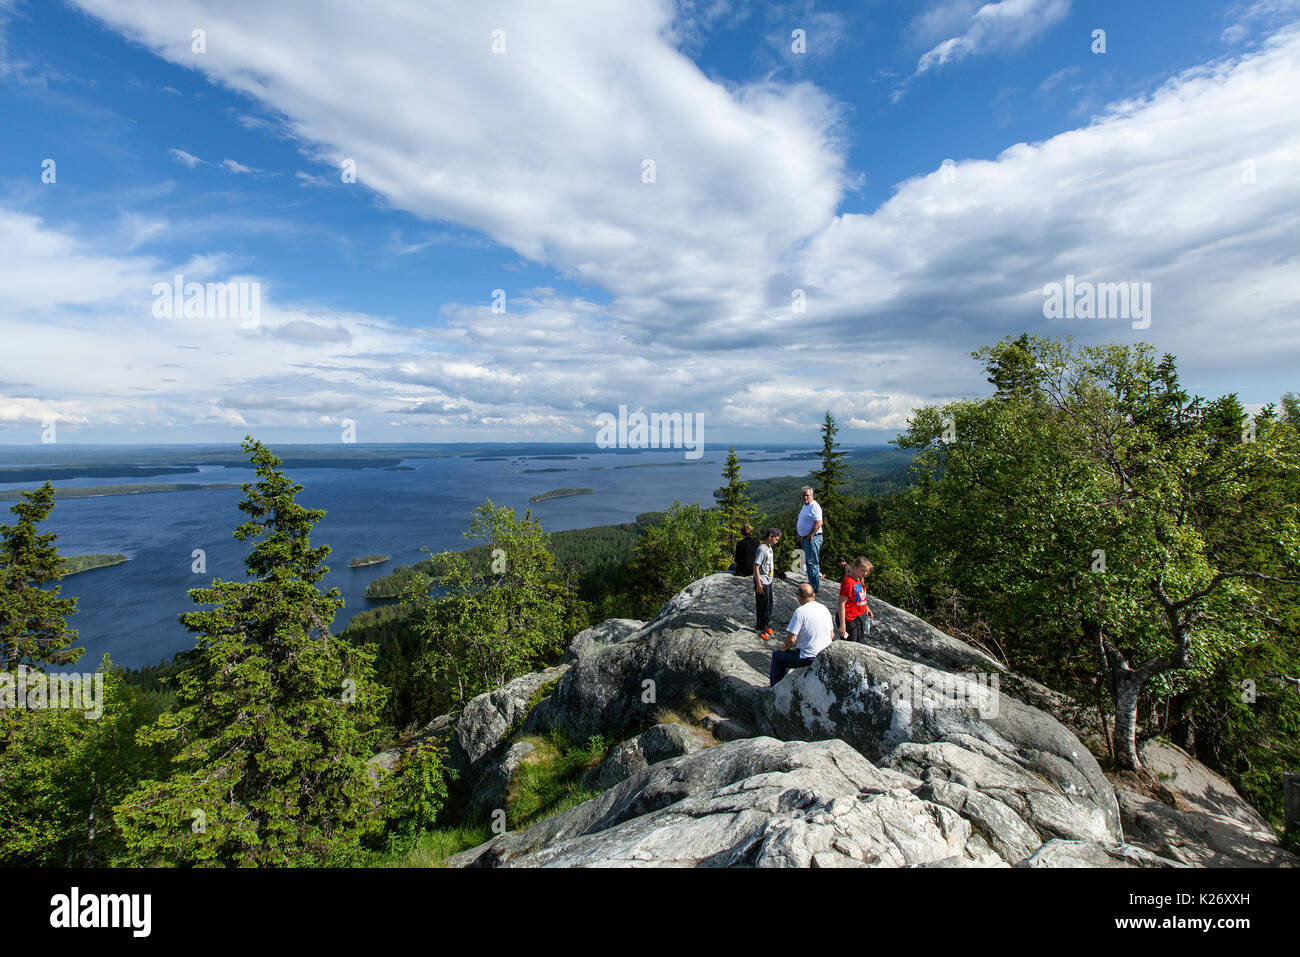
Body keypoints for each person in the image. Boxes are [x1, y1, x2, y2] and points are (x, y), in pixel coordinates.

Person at [770, 582, 834, 685]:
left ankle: (775, 688)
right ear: (814, 595)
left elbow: (791, 640)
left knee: (777, 657)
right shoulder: (824, 608)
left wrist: (784, 649)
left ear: (799, 597)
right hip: (824, 655)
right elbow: (832, 635)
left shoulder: (800, 612)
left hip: (808, 657)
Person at [837, 557, 876, 642]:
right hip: (848, 618)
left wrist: (866, 608)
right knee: (852, 643)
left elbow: (859, 597)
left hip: (856, 617)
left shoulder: (859, 579)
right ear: (855, 567)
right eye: (863, 570)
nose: (865, 573)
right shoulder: (848, 581)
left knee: (860, 641)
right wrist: (842, 625)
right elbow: (841, 603)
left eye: (867, 571)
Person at [752, 527, 781, 639]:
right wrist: (759, 584)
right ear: (770, 537)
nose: (777, 541)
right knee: (762, 605)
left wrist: (772, 575)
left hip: (768, 580)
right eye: (776, 539)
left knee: (769, 604)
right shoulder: (761, 549)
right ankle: (759, 628)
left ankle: (766, 624)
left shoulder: (769, 547)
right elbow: (756, 567)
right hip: (762, 581)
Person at [795, 486, 824, 592]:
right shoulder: (806, 506)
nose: (805, 497)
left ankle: (814, 587)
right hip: (806, 538)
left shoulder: (814, 506)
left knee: (813, 562)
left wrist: (810, 535)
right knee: (809, 562)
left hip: (813, 538)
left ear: (812, 495)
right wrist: (800, 535)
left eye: (807, 495)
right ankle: (811, 582)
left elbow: (819, 523)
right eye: (803, 495)